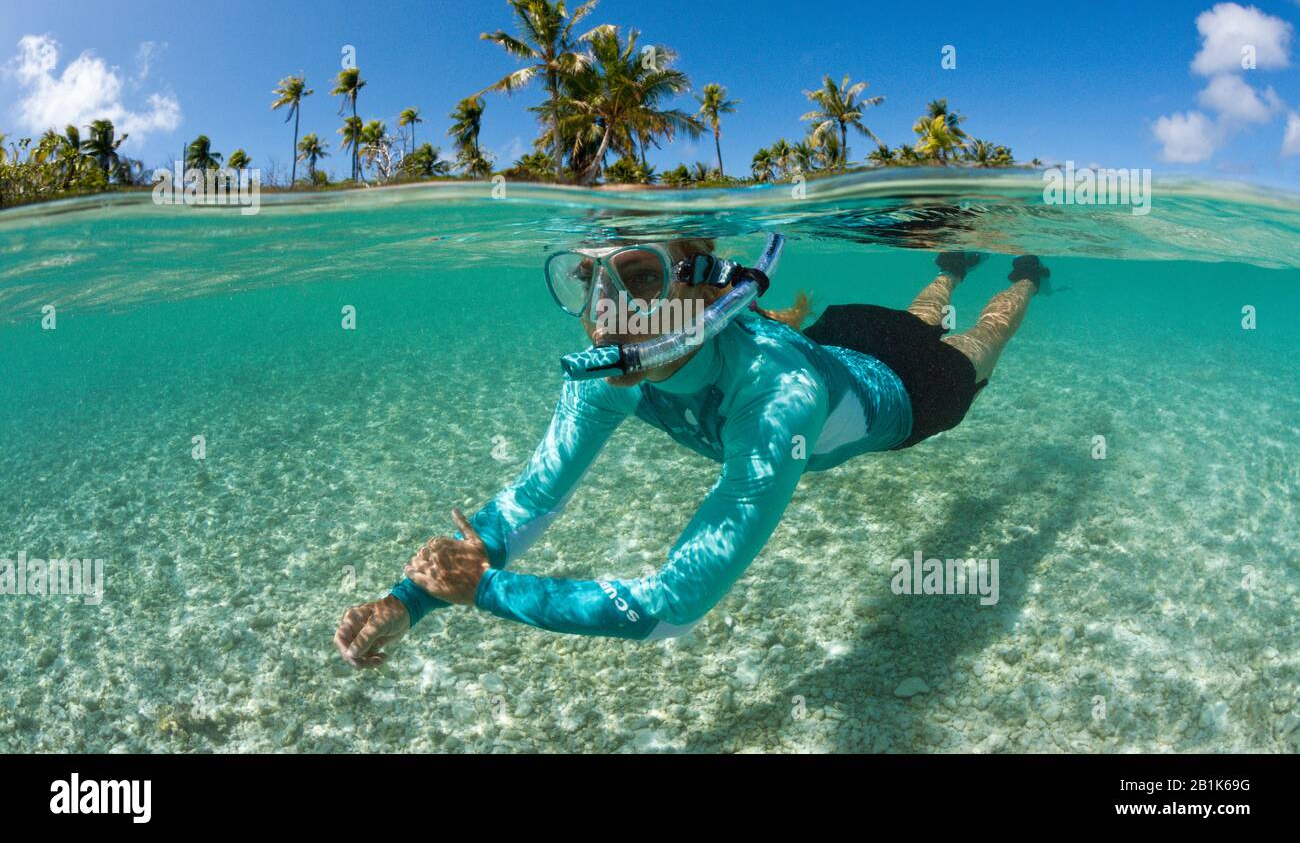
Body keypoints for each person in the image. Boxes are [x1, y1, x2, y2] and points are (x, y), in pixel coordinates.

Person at [334, 241, 1049, 665]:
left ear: (707, 284)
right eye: (590, 280)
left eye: (641, 278)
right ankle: (953, 265)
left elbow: (667, 610)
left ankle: (1023, 277)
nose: (606, 313)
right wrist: (408, 601)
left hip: (905, 395)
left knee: (978, 341)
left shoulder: (778, 398)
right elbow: (529, 503)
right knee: (921, 312)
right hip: (837, 342)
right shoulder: (609, 372)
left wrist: (484, 590)